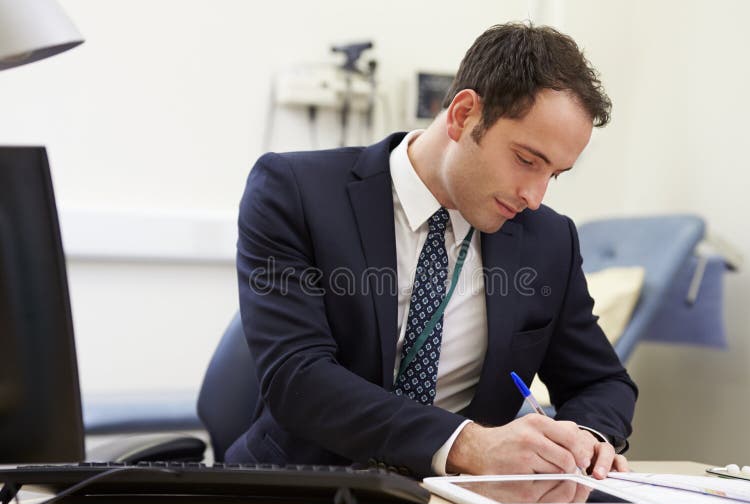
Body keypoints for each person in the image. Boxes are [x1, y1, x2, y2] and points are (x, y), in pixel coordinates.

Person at [227, 22, 638, 479]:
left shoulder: (550, 240)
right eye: (526, 160)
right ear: (464, 115)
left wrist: (587, 442)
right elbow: (297, 378)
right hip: (301, 488)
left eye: (554, 174)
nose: (535, 196)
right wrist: (467, 443)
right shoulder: (294, 193)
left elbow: (602, 382)